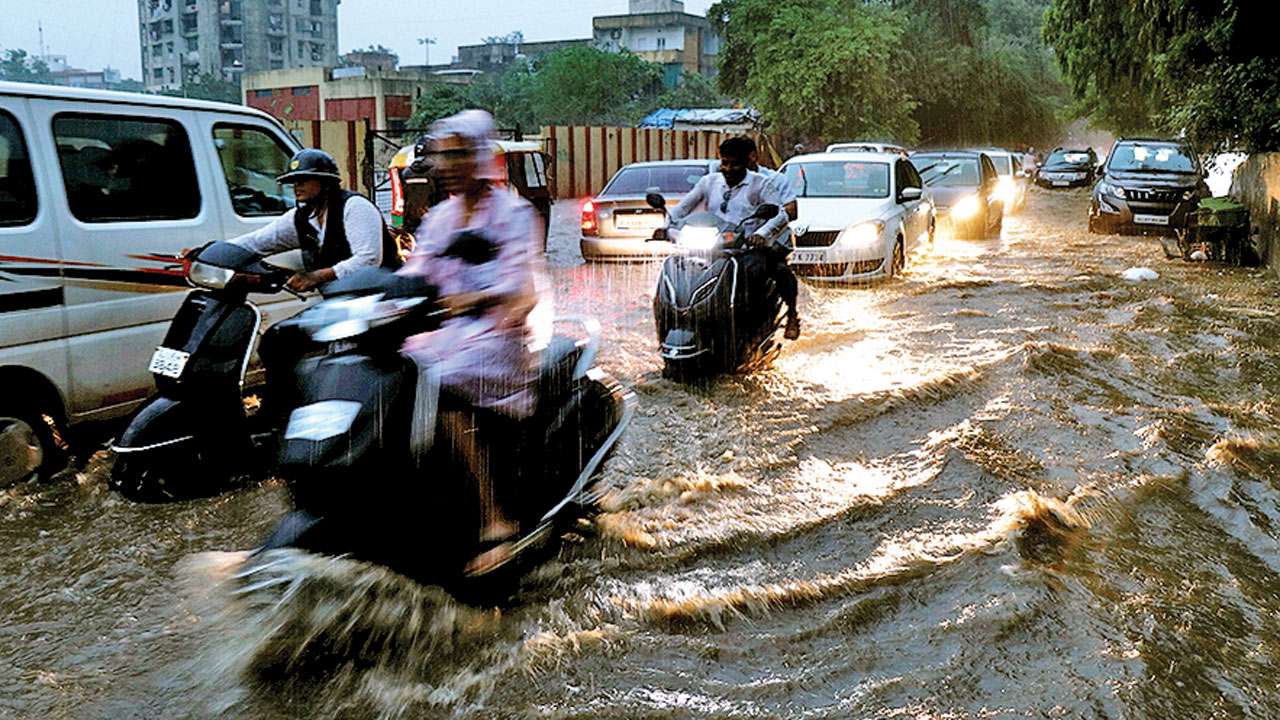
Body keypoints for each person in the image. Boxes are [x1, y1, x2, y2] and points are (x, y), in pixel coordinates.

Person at [398, 110, 550, 576]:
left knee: (440, 386)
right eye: (442, 155)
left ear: (481, 157)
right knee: (388, 374)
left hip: (497, 338)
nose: (446, 165)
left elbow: (522, 289)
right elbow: (414, 274)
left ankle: (494, 519)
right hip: (444, 335)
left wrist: (476, 299)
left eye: (458, 154)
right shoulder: (439, 218)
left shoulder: (514, 213)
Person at [664, 136, 801, 339]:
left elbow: (781, 214)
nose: (728, 168)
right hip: (714, 246)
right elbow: (683, 207)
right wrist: (666, 226)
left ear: (748, 162)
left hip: (748, 249)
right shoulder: (709, 181)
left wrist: (761, 235)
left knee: (776, 270)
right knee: (681, 267)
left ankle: (789, 315)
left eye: (734, 164)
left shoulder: (762, 184)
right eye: (724, 163)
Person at [224, 148, 400, 291]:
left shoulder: (355, 207)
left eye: (303, 179)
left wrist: (316, 276)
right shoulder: (301, 217)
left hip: (381, 297)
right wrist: (212, 251)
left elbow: (368, 260)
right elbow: (257, 242)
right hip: (341, 300)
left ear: (325, 182)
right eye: (294, 181)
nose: (296, 186)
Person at [745, 137, 802, 339]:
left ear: (753, 156)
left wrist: (765, 233)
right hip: (734, 242)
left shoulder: (775, 180)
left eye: (737, 160)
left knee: (778, 269)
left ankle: (792, 314)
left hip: (771, 242)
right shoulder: (720, 181)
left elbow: (791, 209)